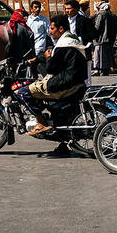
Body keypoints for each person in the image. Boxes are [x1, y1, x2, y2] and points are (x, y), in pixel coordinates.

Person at [25, 16, 91, 155]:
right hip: (76, 81)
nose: (50, 31)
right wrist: (37, 59)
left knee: (24, 92)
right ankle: (63, 143)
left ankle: (41, 122)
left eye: (52, 28)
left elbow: (52, 68)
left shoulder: (63, 45)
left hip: (64, 83)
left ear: (61, 29)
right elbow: (54, 55)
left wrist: (47, 58)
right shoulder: (71, 40)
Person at [91, 0, 116, 75]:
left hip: (101, 38)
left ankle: (99, 69)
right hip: (109, 38)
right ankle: (105, 69)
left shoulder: (101, 14)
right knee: (106, 54)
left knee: (99, 54)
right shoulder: (113, 15)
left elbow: (97, 27)